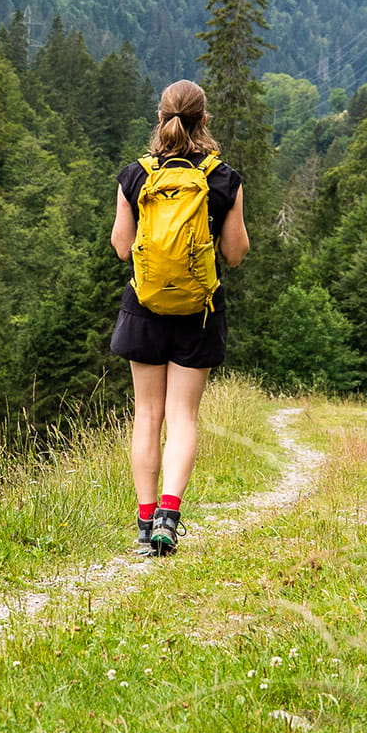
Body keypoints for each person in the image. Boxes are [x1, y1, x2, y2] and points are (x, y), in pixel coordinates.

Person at [110, 79, 250, 557]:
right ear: (204, 121)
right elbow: (234, 255)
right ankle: (171, 514)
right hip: (199, 313)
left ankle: (145, 522)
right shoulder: (223, 178)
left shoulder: (136, 176)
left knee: (147, 415)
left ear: (160, 117)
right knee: (183, 415)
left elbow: (121, 246)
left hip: (144, 309)